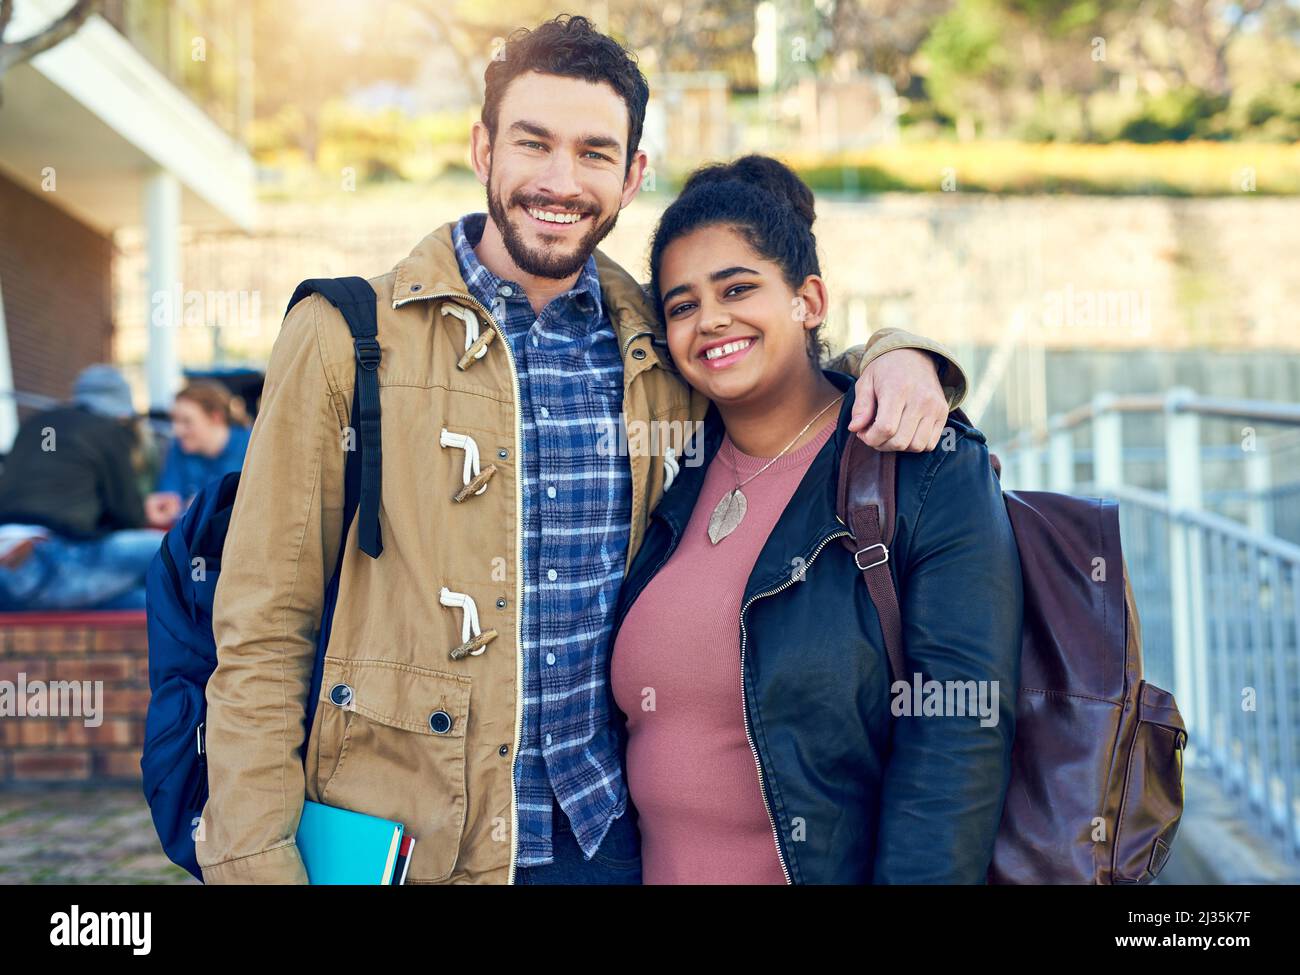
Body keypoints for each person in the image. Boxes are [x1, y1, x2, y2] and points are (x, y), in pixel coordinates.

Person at [198, 15, 970, 886]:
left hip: (605, 845)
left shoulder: (661, 339)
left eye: (596, 153)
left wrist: (899, 354)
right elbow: (263, 628)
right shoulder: (347, 336)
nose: (562, 182)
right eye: (535, 144)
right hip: (409, 849)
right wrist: (254, 861)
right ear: (483, 147)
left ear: (634, 174)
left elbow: (778, 368)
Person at [608, 155, 1023, 884]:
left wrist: (902, 356)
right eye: (681, 305)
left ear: (809, 300)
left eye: (738, 288)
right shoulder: (667, 472)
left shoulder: (925, 466)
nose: (711, 319)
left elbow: (960, 742)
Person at [0, 364, 164, 611]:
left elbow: (52, 492)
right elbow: (129, 517)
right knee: (174, 547)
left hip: (11, 569)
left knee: (139, 601)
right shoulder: (108, 430)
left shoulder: (36, 423)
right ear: (121, 410)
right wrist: (146, 511)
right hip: (53, 559)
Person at [145, 381, 251, 528]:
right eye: (174, 420)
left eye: (186, 421)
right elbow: (170, 495)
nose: (177, 430)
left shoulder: (251, 447)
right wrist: (164, 505)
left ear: (215, 418)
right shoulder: (178, 447)